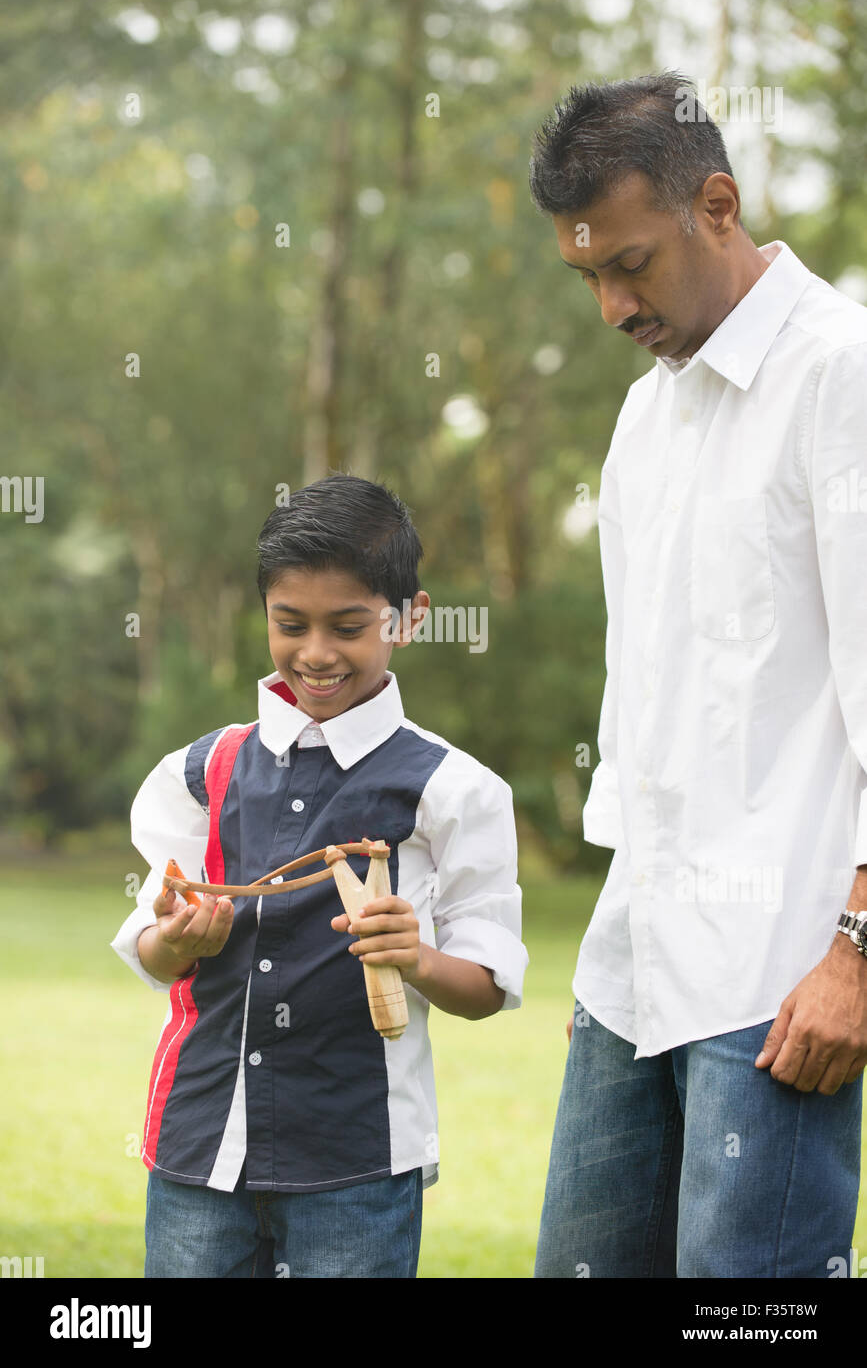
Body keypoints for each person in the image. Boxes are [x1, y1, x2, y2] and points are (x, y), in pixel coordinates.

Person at [528, 72, 867, 1278]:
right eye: (587, 278)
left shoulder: (843, 376)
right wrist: (615, 940)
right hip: (635, 966)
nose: (612, 305)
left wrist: (857, 951)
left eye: (630, 265)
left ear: (716, 203)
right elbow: (646, 705)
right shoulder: (643, 420)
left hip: (781, 979)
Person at [111, 473, 528, 1278]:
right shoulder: (200, 771)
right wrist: (176, 936)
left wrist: (417, 956)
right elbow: (155, 954)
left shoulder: (454, 790)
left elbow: (485, 985)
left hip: (357, 1163)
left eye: (347, 626)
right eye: (289, 624)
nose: (316, 654)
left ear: (408, 618)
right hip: (200, 1148)